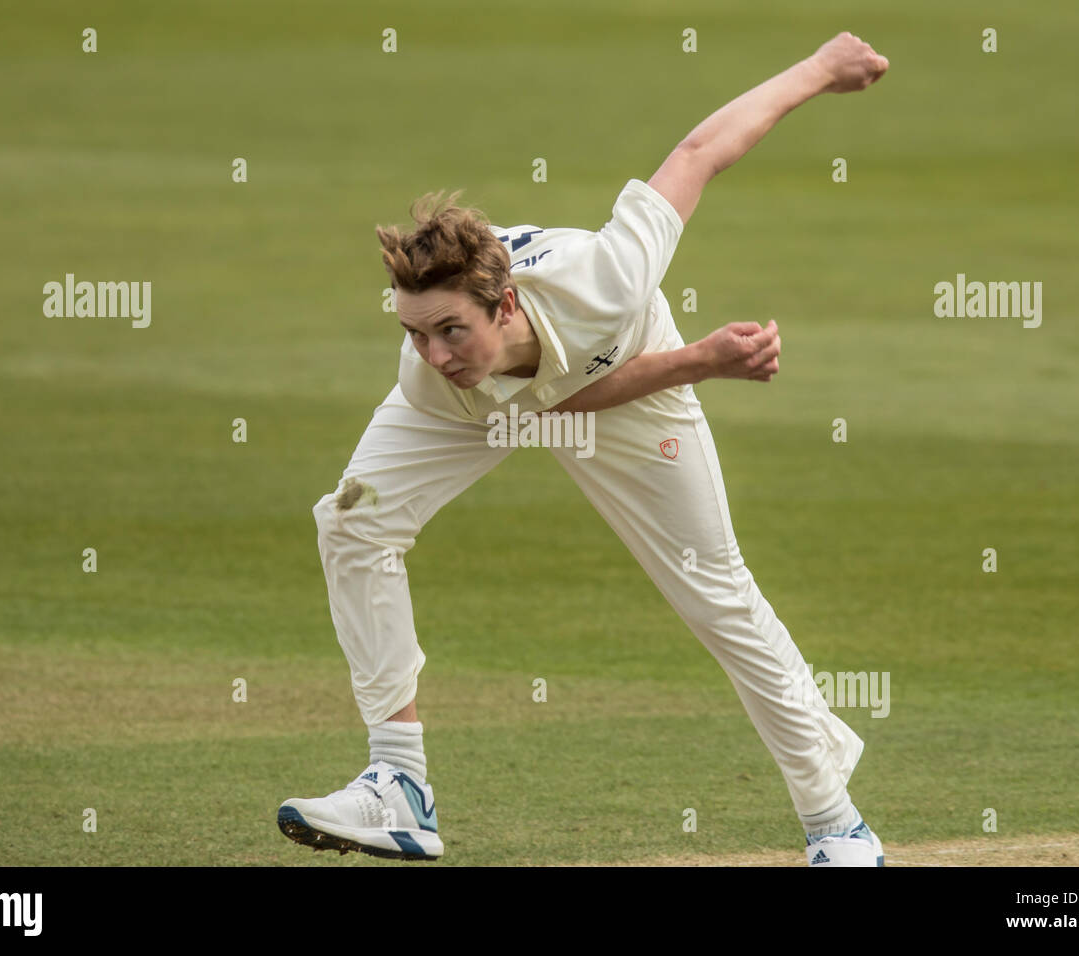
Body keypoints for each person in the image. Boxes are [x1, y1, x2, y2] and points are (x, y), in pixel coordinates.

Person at [279, 32, 889, 866]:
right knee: (350, 522)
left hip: (633, 374)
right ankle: (398, 785)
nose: (434, 353)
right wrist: (704, 361)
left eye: (450, 329)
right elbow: (531, 405)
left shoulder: (607, 276)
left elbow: (701, 150)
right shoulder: (433, 376)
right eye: (414, 333)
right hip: (520, 400)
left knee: (716, 592)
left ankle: (835, 824)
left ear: (504, 306)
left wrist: (820, 70)